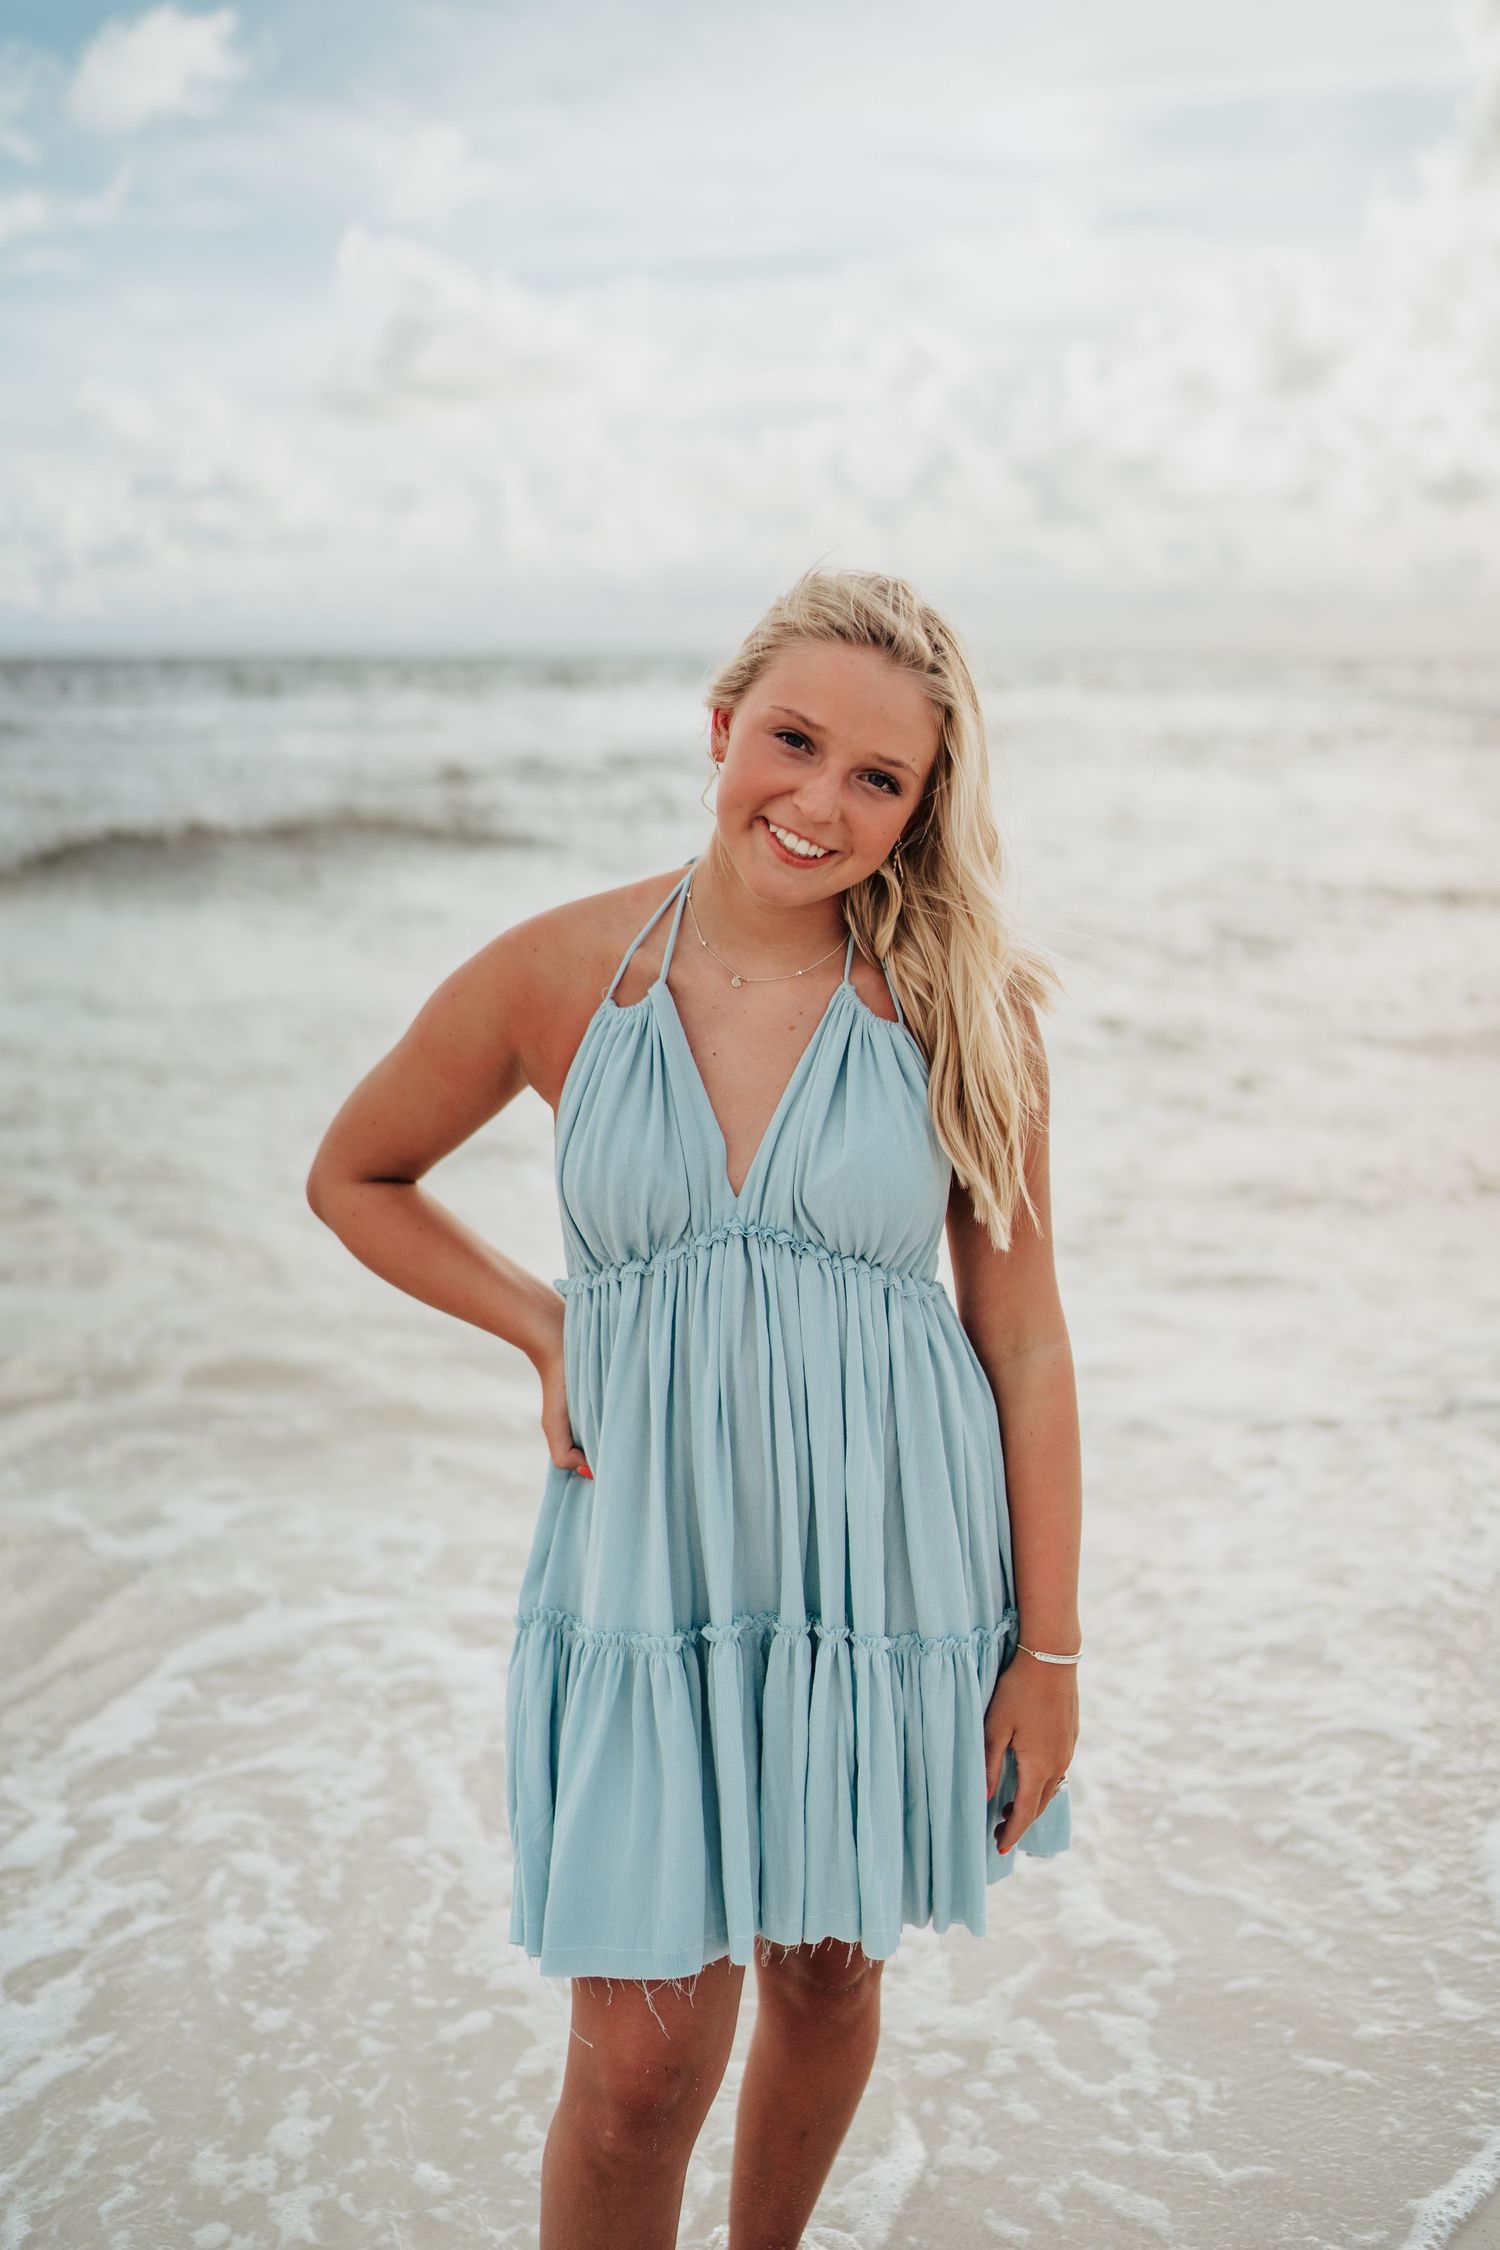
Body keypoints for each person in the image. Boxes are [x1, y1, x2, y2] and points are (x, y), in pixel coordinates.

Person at [306, 566, 1082, 2250]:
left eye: (879, 776)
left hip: (883, 1571)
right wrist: (536, 1323)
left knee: (825, 1966)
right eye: (794, 741)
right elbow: (355, 1174)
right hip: (646, 1572)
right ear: (724, 727)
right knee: (638, 2063)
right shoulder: (558, 972)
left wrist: (1054, 1651)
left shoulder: (967, 1006)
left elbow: (1021, 1338)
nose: (820, 800)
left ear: (925, 801)